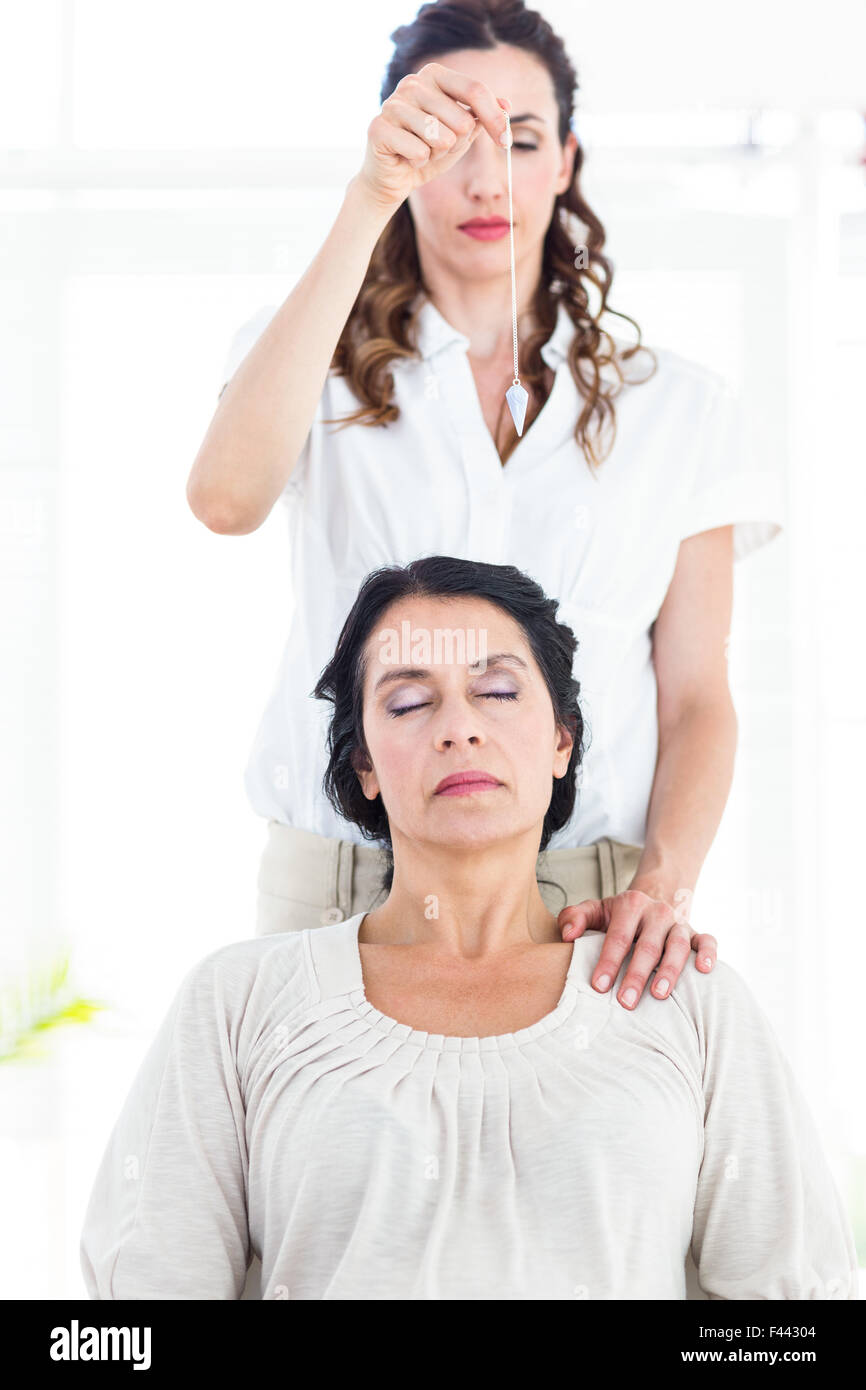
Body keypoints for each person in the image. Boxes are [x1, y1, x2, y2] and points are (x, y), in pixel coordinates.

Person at [185, 0, 785, 1009]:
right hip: (339, 893)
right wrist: (366, 197)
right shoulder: (308, 360)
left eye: (518, 138)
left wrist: (662, 883)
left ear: (564, 160)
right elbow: (224, 499)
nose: (484, 176)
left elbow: (694, 699)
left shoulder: (677, 408)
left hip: (584, 909)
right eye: (448, 139)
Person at [80, 558, 857, 1300]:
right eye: (410, 703)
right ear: (365, 769)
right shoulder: (237, 1004)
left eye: (497, 691)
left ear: (562, 741)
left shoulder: (678, 997)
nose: (459, 728)